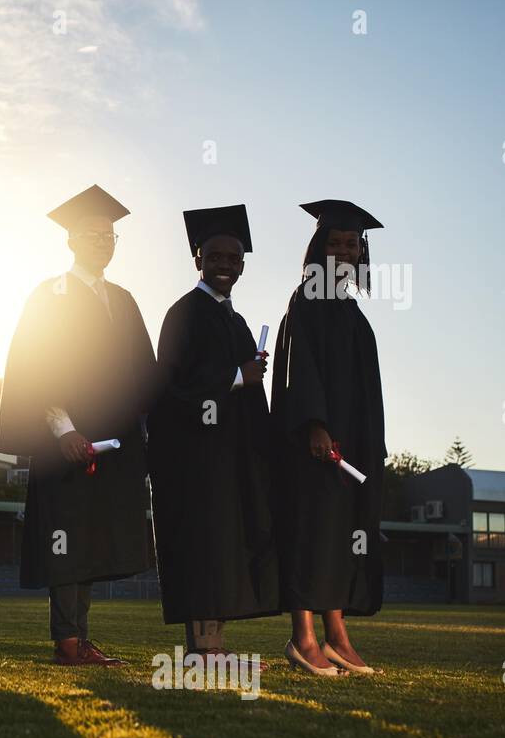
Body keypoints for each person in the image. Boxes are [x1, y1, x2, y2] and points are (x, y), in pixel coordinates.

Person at [0, 185, 157, 666]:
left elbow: (144, 374)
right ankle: (68, 640)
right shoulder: (49, 295)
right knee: (66, 535)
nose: (104, 241)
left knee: (92, 538)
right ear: (70, 240)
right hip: (66, 440)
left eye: (110, 235)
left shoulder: (123, 300)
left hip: (115, 443)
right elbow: (34, 366)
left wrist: (145, 437)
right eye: (93, 233)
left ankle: (79, 636)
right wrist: (62, 428)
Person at [147, 205, 278, 663]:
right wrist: (238, 377)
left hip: (230, 456)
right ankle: (200, 646)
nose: (226, 265)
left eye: (235, 258)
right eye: (216, 256)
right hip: (195, 458)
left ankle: (214, 644)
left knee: (225, 547)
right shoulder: (183, 314)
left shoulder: (236, 321)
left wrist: (250, 378)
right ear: (197, 257)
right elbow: (170, 387)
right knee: (201, 545)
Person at [270, 200, 387, 676]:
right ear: (318, 248)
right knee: (309, 535)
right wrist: (315, 424)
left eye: (352, 244)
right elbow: (300, 369)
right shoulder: (307, 300)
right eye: (335, 243)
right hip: (313, 447)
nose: (345, 251)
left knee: (340, 540)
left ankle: (337, 636)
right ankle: (303, 638)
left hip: (350, 449)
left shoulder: (351, 311)